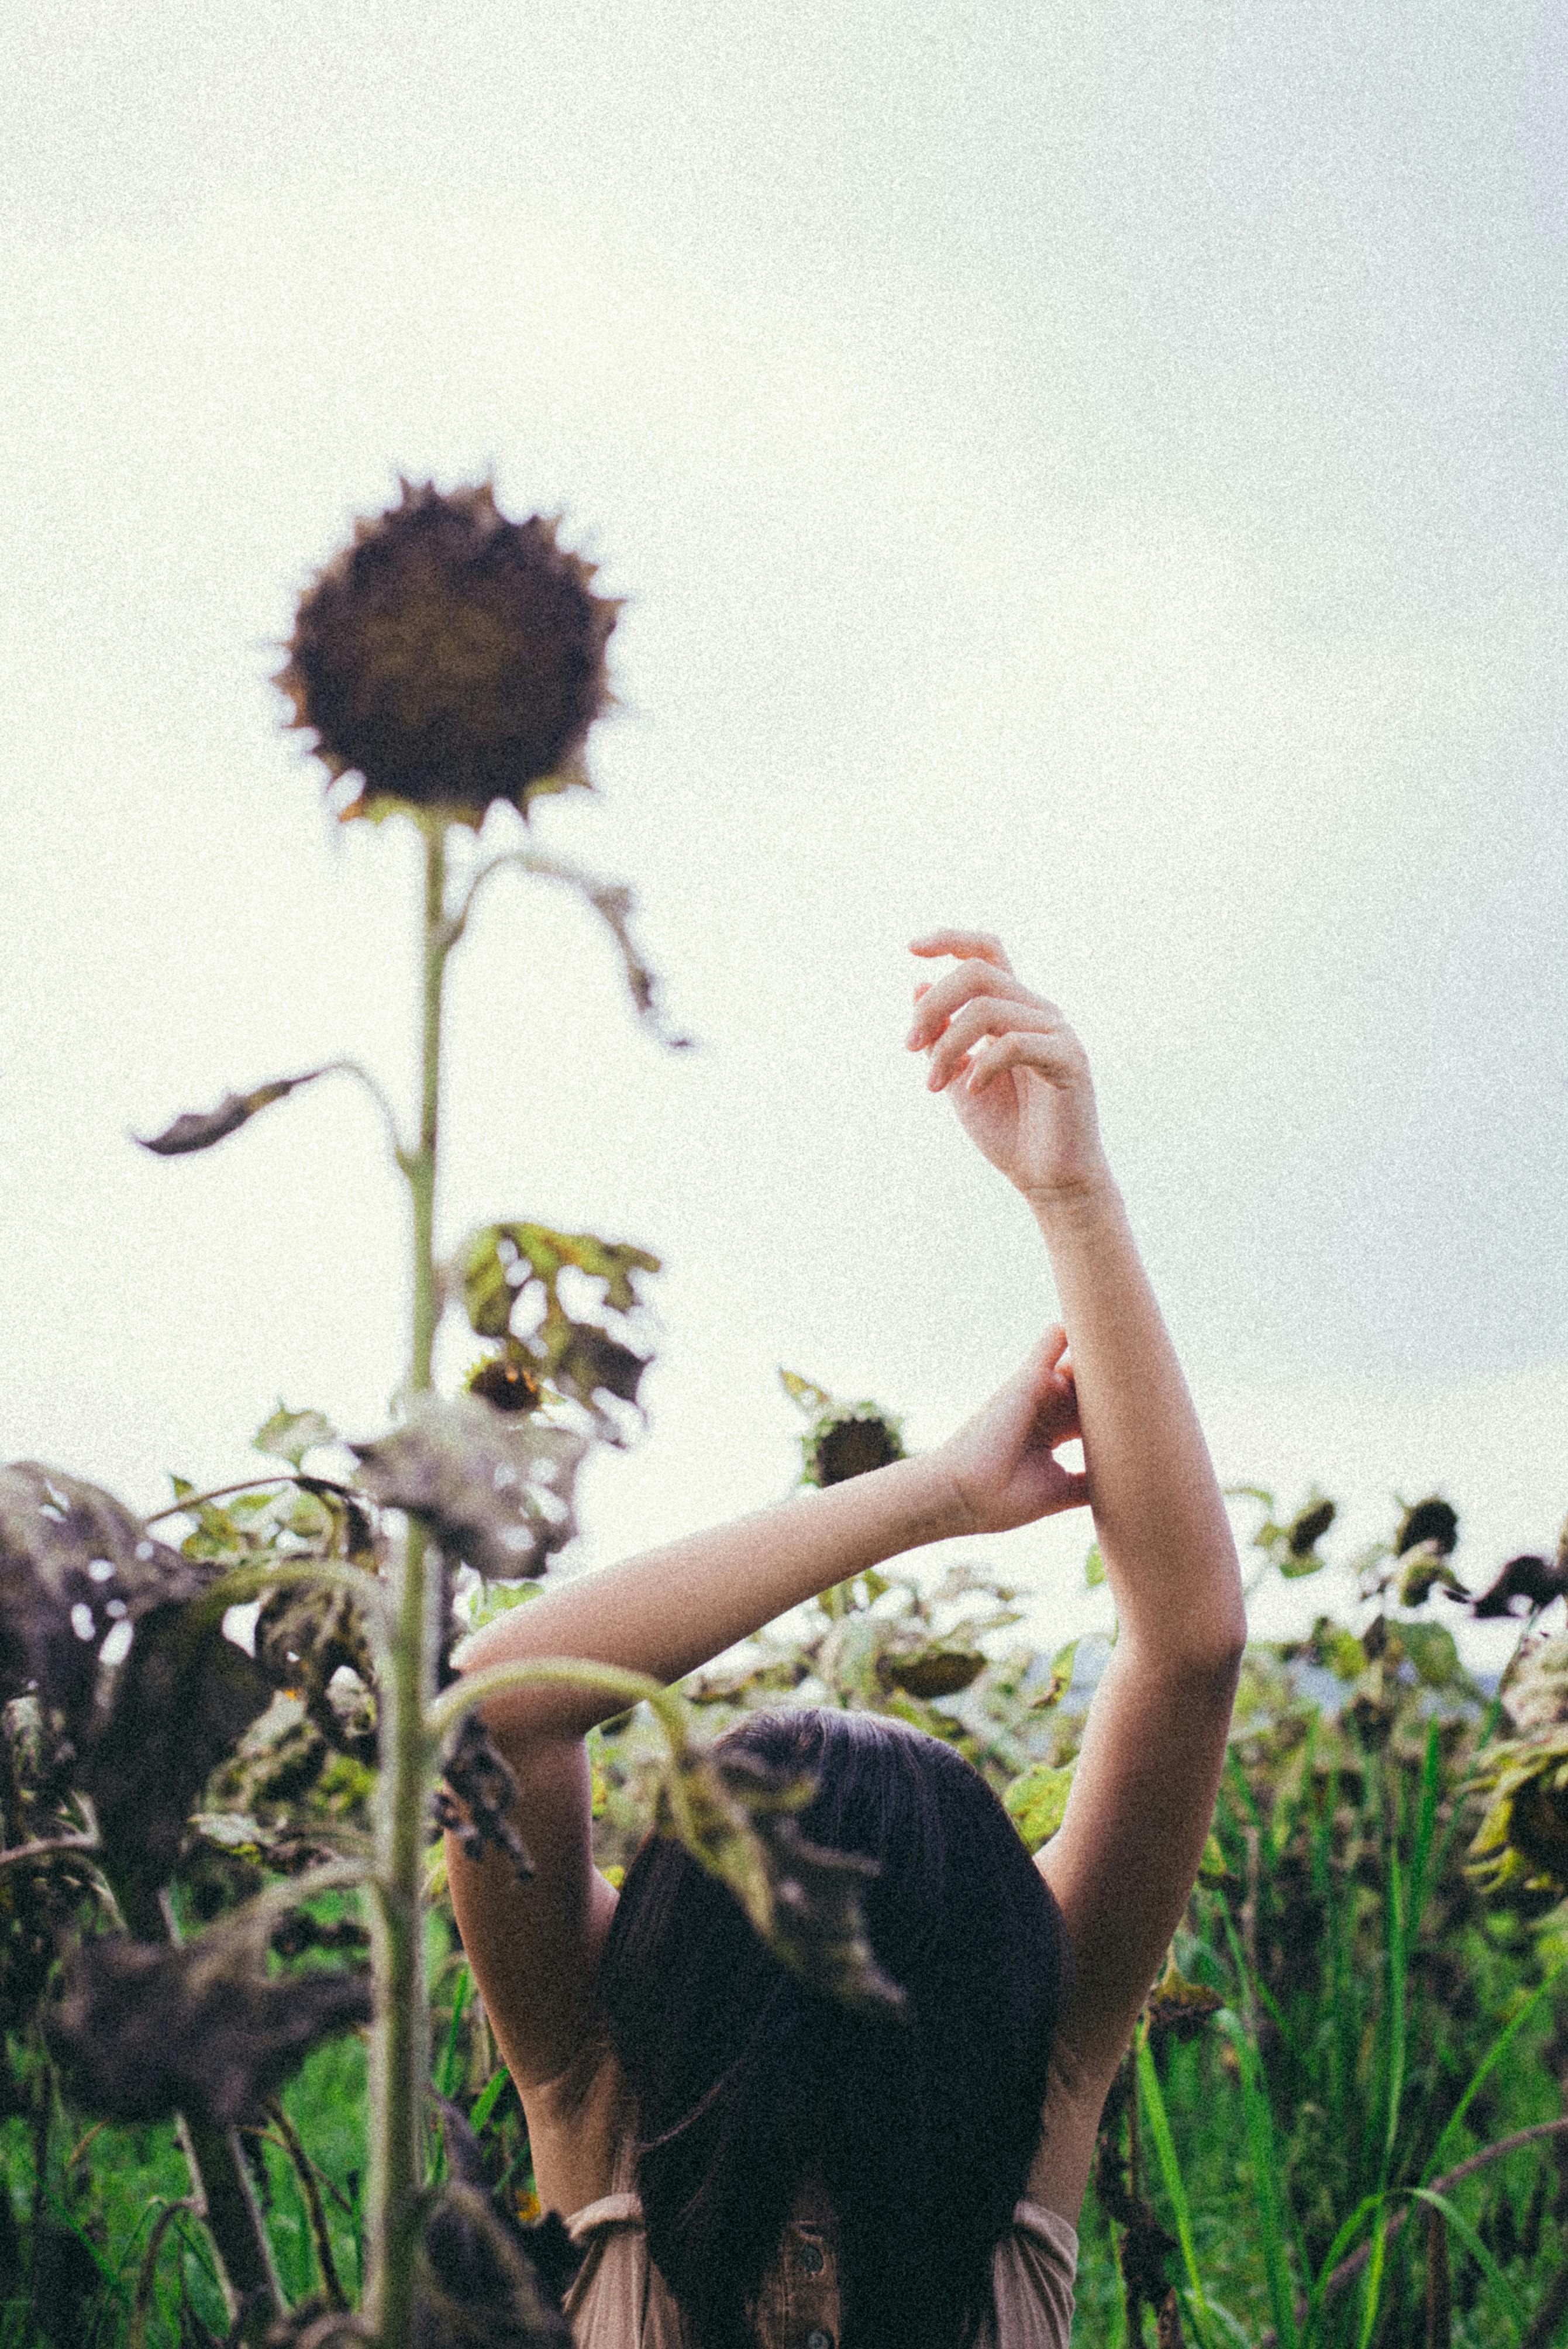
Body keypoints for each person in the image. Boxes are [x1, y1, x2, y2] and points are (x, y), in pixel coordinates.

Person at [447, 929, 1247, 2349]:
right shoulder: (1032, 2092)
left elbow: (499, 1712)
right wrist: (1068, 1198)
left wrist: (935, 1493)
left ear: (679, 1936)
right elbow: (1186, 1649)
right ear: (993, 1952)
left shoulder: (598, 2095)